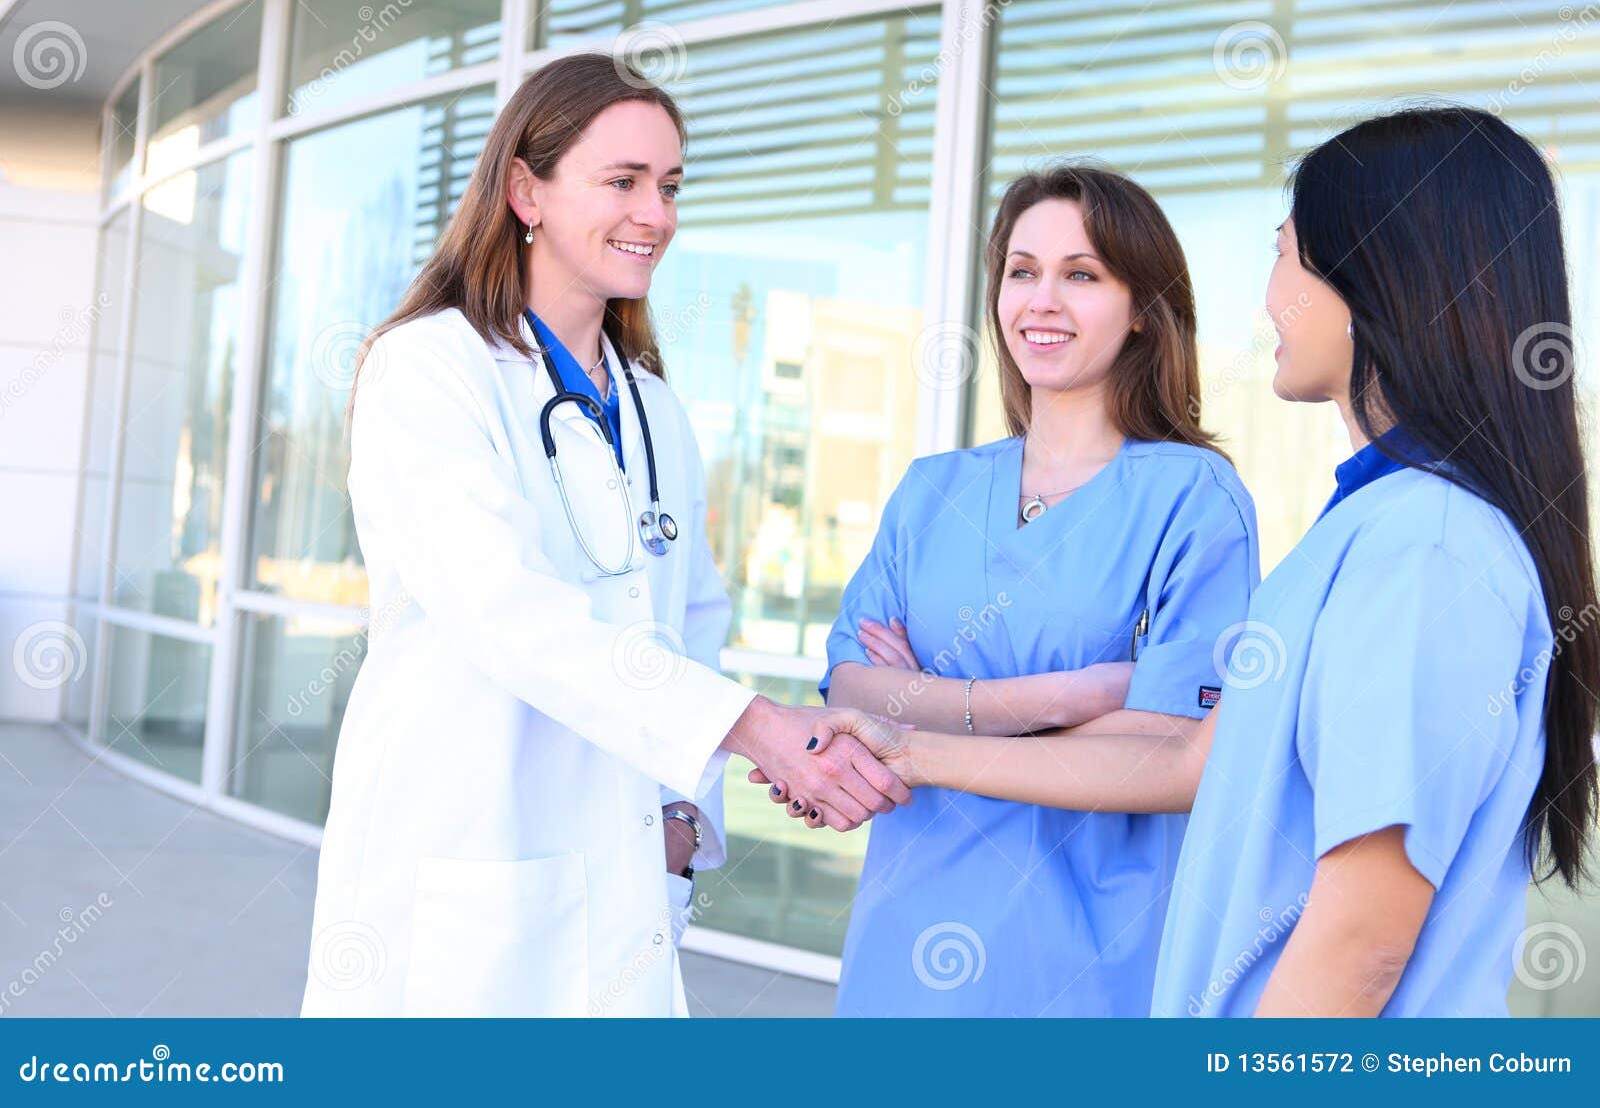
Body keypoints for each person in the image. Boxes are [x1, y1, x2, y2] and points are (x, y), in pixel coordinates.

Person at [777, 107, 1599, 1018]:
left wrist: (940, 709)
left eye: (1286, 254)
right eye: (1021, 271)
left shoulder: (1423, 546)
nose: (1266, 298)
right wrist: (977, 723)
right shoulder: (1374, 525)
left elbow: (1360, 930)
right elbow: (1197, 752)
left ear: (1379, 270)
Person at [300, 53, 908, 1019]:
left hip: (625, 872)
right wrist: (760, 731)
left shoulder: (655, 406)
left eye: (668, 187)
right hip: (467, 856)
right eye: (622, 181)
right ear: (524, 189)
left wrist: (682, 814)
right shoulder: (429, 369)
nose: (655, 214)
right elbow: (506, 613)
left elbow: (691, 614)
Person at [760, 166, 1260, 1016]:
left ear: (1142, 307)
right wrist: (1073, 694)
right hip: (904, 941)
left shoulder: (1194, 497)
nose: (1043, 300)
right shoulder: (933, 489)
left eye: (1082, 274)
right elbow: (851, 687)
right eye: (1022, 271)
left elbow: (1173, 755)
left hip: (1083, 963)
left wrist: (928, 702)